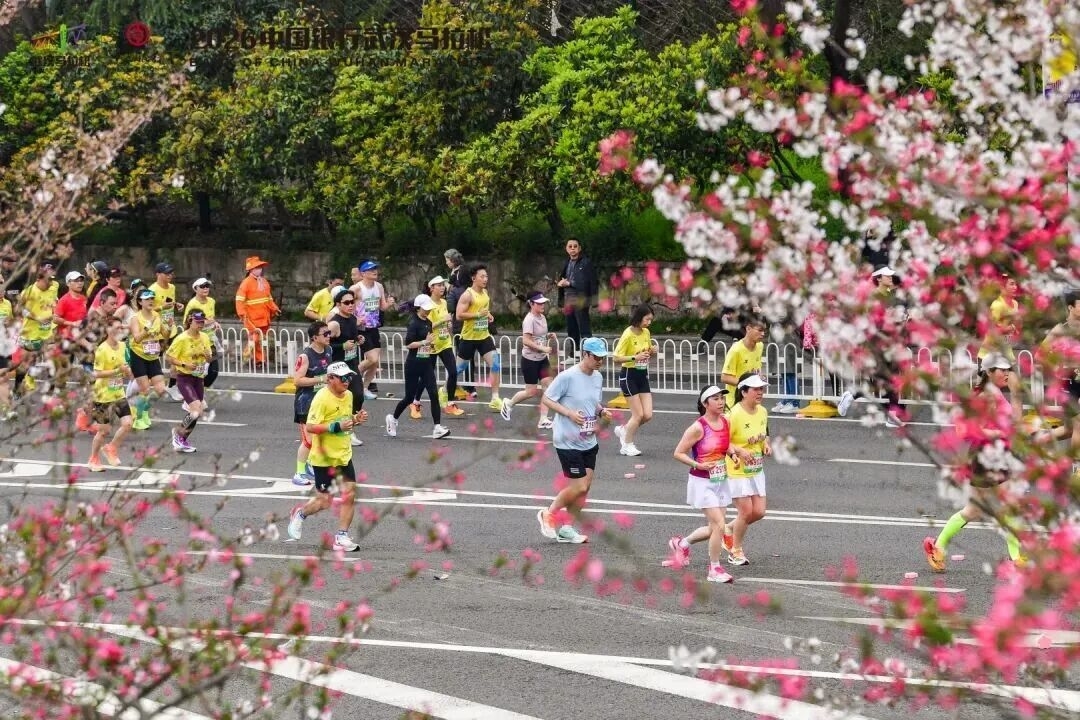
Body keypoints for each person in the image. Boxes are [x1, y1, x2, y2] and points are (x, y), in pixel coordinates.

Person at [923, 353, 1026, 571]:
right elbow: (965, 430)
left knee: (1002, 505)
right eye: (1002, 370)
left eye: (1008, 370)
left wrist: (1017, 396)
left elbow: (1014, 423)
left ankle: (1015, 557)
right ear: (989, 372)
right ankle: (938, 546)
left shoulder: (995, 393)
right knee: (978, 509)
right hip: (984, 458)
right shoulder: (984, 396)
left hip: (999, 455)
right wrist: (996, 434)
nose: (1007, 374)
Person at [667, 385, 756, 583]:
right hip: (702, 482)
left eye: (722, 398)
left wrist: (733, 454)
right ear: (705, 403)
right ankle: (714, 569)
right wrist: (698, 464)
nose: (721, 402)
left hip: (720, 480)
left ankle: (682, 544)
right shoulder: (698, 427)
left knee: (713, 528)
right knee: (720, 525)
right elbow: (678, 453)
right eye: (715, 399)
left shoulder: (725, 422)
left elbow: (724, 444)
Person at [537, 337, 613, 544]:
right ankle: (548, 513)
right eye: (596, 357)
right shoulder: (567, 376)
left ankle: (567, 528)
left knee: (585, 487)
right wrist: (569, 413)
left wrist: (601, 411)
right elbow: (547, 399)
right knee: (578, 487)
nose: (600, 361)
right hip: (567, 440)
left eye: (603, 358)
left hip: (588, 439)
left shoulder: (598, 377)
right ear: (585, 354)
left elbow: (593, 402)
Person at [287, 361, 368, 551]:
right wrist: (335, 427)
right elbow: (310, 427)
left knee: (349, 494)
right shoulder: (321, 399)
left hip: (343, 455)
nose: (347, 381)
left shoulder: (348, 395)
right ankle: (300, 513)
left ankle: (341, 537)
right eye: (343, 378)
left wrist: (356, 420)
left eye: (349, 377)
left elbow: (344, 420)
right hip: (323, 458)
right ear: (330, 379)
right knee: (324, 501)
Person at [837, 267, 907, 427]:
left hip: (890, 342)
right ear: (879, 278)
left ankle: (854, 394)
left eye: (891, 275)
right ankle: (854, 394)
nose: (890, 278)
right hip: (877, 343)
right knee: (887, 379)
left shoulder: (891, 295)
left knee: (888, 380)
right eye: (887, 276)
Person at [386, 294, 451, 440]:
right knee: (409, 397)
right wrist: (424, 342)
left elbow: (429, 340)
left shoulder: (428, 322)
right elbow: (409, 344)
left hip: (426, 362)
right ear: (418, 308)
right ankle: (393, 418)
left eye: (429, 309)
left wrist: (431, 344)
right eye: (425, 309)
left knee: (434, 394)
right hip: (413, 364)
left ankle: (437, 427)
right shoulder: (413, 323)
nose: (428, 311)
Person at [724, 372, 772, 566]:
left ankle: (728, 529)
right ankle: (735, 551)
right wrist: (739, 451)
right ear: (743, 392)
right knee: (745, 512)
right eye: (756, 389)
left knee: (758, 512)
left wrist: (765, 445)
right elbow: (722, 442)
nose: (760, 393)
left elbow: (764, 434)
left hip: (756, 469)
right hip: (737, 471)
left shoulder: (763, 412)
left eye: (762, 389)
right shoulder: (733, 415)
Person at [408, 275, 465, 419]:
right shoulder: (427, 305)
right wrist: (442, 320)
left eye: (443, 285)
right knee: (426, 377)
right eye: (439, 285)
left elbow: (446, 322)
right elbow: (426, 326)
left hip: (445, 343)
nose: (442, 288)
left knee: (453, 372)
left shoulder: (444, 302)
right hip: (431, 344)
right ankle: (415, 402)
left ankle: (450, 403)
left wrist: (449, 326)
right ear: (431, 288)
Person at [500, 291, 557, 429]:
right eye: (539, 303)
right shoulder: (529, 320)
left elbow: (539, 336)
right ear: (531, 304)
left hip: (542, 359)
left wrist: (548, 336)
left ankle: (543, 419)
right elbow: (526, 340)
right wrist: (542, 348)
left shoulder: (542, 317)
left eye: (543, 303)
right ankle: (509, 404)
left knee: (548, 387)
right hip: (530, 360)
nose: (542, 305)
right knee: (530, 392)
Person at [87, 317, 133, 471]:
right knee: (104, 431)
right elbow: (97, 373)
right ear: (108, 330)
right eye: (116, 328)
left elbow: (126, 367)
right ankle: (93, 459)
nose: (120, 330)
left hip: (118, 393)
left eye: (121, 328)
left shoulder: (123, 346)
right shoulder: (102, 349)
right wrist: (117, 371)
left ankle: (111, 447)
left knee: (128, 424)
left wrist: (127, 372)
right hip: (103, 396)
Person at [1038, 289, 1080, 457]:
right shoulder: (1059, 330)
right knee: (1078, 426)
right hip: (1068, 384)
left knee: (1070, 429)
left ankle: (1037, 441)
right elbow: (1039, 356)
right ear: (1071, 307)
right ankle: (1076, 467)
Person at [455, 263, 503, 412]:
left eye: (486, 276)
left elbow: (482, 310)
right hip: (469, 338)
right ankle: (444, 390)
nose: (485, 279)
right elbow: (459, 315)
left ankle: (495, 398)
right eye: (482, 276)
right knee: (459, 369)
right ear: (473, 278)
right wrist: (477, 315)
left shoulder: (485, 293)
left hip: (483, 336)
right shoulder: (467, 295)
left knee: (495, 364)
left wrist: (488, 315)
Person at [164, 310, 213, 453]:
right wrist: (184, 364)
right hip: (185, 378)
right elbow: (168, 357)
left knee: (197, 411)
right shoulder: (182, 339)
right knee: (196, 410)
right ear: (190, 322)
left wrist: (207, 356)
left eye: (202, 322)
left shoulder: (204, 337)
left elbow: (209, 358)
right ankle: (178, 434)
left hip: (198, 378)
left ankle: (182, 438)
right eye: (197, 322)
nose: (200, 325)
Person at [291, 321, 333, 486]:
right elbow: (297, 380)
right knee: (308, 441)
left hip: (322, 401)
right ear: (315, 337)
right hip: (306, 402)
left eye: (329, 333)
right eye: (325, 334)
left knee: (320, 437)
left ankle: (309, 467)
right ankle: (299, 472)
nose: (329, 336)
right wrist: (320, 379)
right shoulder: (306, 356)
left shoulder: (329, 350)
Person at [612, 304, 655, 456]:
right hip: (628, 375)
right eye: (647, 319)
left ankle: (624, 429)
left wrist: (652, 351)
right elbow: (616, 358)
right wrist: (634, 357)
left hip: (642, 374)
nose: (649, 323)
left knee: (647, 415)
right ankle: (627, 445)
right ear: (639, 317)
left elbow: (647, 351)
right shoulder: (628, 334)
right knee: (638, 415)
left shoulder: (646, 332)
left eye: (651, 320)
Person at [326, 286, 366, 447]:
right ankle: (343, 430)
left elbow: (351, 338)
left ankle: (349, 428)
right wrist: (341, 346)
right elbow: (323, 344)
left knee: (358, 396)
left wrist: (358, 339)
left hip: (351, 364)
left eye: (352, 302)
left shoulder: (352, 319)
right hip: (337, 367)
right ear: (338, 304)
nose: (351, 305)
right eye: (347, 303)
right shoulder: (334, 323)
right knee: (340, 399)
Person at [350, 260, 395, 399]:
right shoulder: (356, 289)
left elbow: (382, 307)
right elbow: (344, 306)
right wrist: (355, 319)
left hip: (374, 327)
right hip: (361, 328)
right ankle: (349, 376)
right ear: (363, 273)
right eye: (371, 270)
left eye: (375, 269)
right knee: (372, 358)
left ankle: (364, 389)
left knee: (375, 363)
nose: (375, 271)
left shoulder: (379, 286)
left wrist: (389, 304)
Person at [14, 260, 59, 396]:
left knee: (53, 362)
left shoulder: (54, 286)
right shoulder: (29, 292)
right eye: (48, 279)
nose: (51, 282)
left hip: (47, 334)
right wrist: (37, 318)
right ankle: (17, 389)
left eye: (52, 278)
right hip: (30, 334)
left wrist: (54, 311)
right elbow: (18, 309)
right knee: (26, 364)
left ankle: (50, 395)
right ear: (39, 278)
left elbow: (54, 300)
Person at [127, 288, 169, 431]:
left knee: (161, 390)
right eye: (147, 299)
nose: (151, 301)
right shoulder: (135, 318)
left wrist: (168, 327)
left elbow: (165, 334)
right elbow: (137, 338)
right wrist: (147, 328)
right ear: (140, 302)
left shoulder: (157, 315)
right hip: (138, 355)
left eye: (152, 298)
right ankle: (138, 418)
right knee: (144, 390)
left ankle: (143, 410)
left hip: (153, 356)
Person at [235, 255, 280, 368]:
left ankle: (259, 360)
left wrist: (274, 308)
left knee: (260, 340)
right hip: (252, 318)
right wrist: (242, 315)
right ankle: (246, 357)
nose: (259, 269)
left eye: (260, 267)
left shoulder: (264, 281)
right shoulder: (246, 283)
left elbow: (268, 298)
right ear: (251, 269)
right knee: (254, 339)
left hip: (264, 316)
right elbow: (239, 301)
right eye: (257, 267)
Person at [556, 237, 598, 351]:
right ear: (566, 249)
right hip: (568, 299)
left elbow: (589, 281)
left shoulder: (586, 263)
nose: (573, 249)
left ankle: (589, 353)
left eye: (575, 246)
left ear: (579, 248)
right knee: (571, 328)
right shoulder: (566, 262)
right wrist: (560, 283)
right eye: (570, 247)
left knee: (584, 328)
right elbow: (563, 279)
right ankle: (574, 352)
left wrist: (570, 283)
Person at [444, 249, 475, 400]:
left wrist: (449, 287)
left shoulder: (459, 274)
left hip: (460, 320)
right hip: (464, 319)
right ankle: (465, 385)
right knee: (465, 354)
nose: (446, 262)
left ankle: (457, 385)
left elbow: (452, 300)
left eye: (447, 259)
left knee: (462, 354)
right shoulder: (457, 273)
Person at [183, 277, 222, 396]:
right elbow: (186, 323)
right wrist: (204, 324)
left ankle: (199, 391)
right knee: (199, 370)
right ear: (195, 289)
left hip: (210, 341)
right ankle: (193, 392)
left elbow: (211, 318)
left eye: (207, 286)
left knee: (213, 371)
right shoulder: (192, 304)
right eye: (202, 286)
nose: (206, 289)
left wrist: (214, 323)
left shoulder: (211, 301)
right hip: (197, 341)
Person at [720, 315, 766, 409]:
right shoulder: (736, 350)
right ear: (748, 329)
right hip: (735, 402)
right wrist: (748, 384)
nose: (763, 334)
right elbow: (725, 377)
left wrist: (760, 378)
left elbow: (756, 369)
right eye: (760, 330)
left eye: (764, 331)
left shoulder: (760, 346)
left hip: (752, 401)